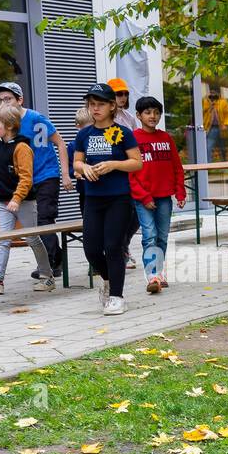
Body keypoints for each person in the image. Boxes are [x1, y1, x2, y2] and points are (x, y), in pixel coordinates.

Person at [73, 82, 142, 316]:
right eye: (92, 104)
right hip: (92, 198)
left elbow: (137, 162)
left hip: (119, 198)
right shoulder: (84, 134)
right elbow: (76, 163)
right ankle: (108, 280)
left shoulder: (124, 133)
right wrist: (84, 168)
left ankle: (117, 297)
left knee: (113, 246)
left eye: (100, 104)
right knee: (91, 249)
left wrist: (113, 164)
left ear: (112, 106)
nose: (95, 108)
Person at [0, 81, 74, 279]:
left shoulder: (36, 118)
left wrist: (65, 174)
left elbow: (60, 143)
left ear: (20, 100)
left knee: (44, 218)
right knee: (33, 225)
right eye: (0, 100)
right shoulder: (3, 128)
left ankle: (53, 263)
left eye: (8, 99)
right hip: (22, 180)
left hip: (45, 174)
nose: (4, 104)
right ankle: (49, 262)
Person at [0, 105, 55, 296]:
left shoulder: (22, 148)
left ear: (10, 125)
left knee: (32, 238)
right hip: (5, 202)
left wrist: (17, 199)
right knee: (3, 240)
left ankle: (47, 276)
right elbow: (4, 174)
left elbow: (26, 179)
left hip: (24, 202)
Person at [129, 95, 186, 293]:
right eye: (147, 112)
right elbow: (130, 174)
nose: (152, 116)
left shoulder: (166, 138)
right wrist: (144, 197)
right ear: (138, 115)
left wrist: (180, 191)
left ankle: (159, 272)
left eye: (156, 112)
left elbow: (177, 167)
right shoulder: (133, 139)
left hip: (164, 197)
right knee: (149, 235)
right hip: (143, 198)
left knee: (162, 236)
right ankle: (152, 274)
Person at [107, 78, 140, 270]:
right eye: (119, 93)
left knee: (135, 212)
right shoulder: (102, 118)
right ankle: (117, 251)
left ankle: (123, 245)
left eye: (125, 93)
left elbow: (136, 144)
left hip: (129, 168)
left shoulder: (129, 118)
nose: (123, 96)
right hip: (111, 171)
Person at [202, 89, 228, 163]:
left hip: (222, 128)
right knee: (208, 146)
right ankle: (208, 164)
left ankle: (225, 163)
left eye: (214, 92)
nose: (213, 94)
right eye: (211, 92)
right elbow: (201, 111)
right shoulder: (205, 101)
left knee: (223, 148)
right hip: (211, 128)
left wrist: (226, 124)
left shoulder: (223, 102)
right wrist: (210, 106)